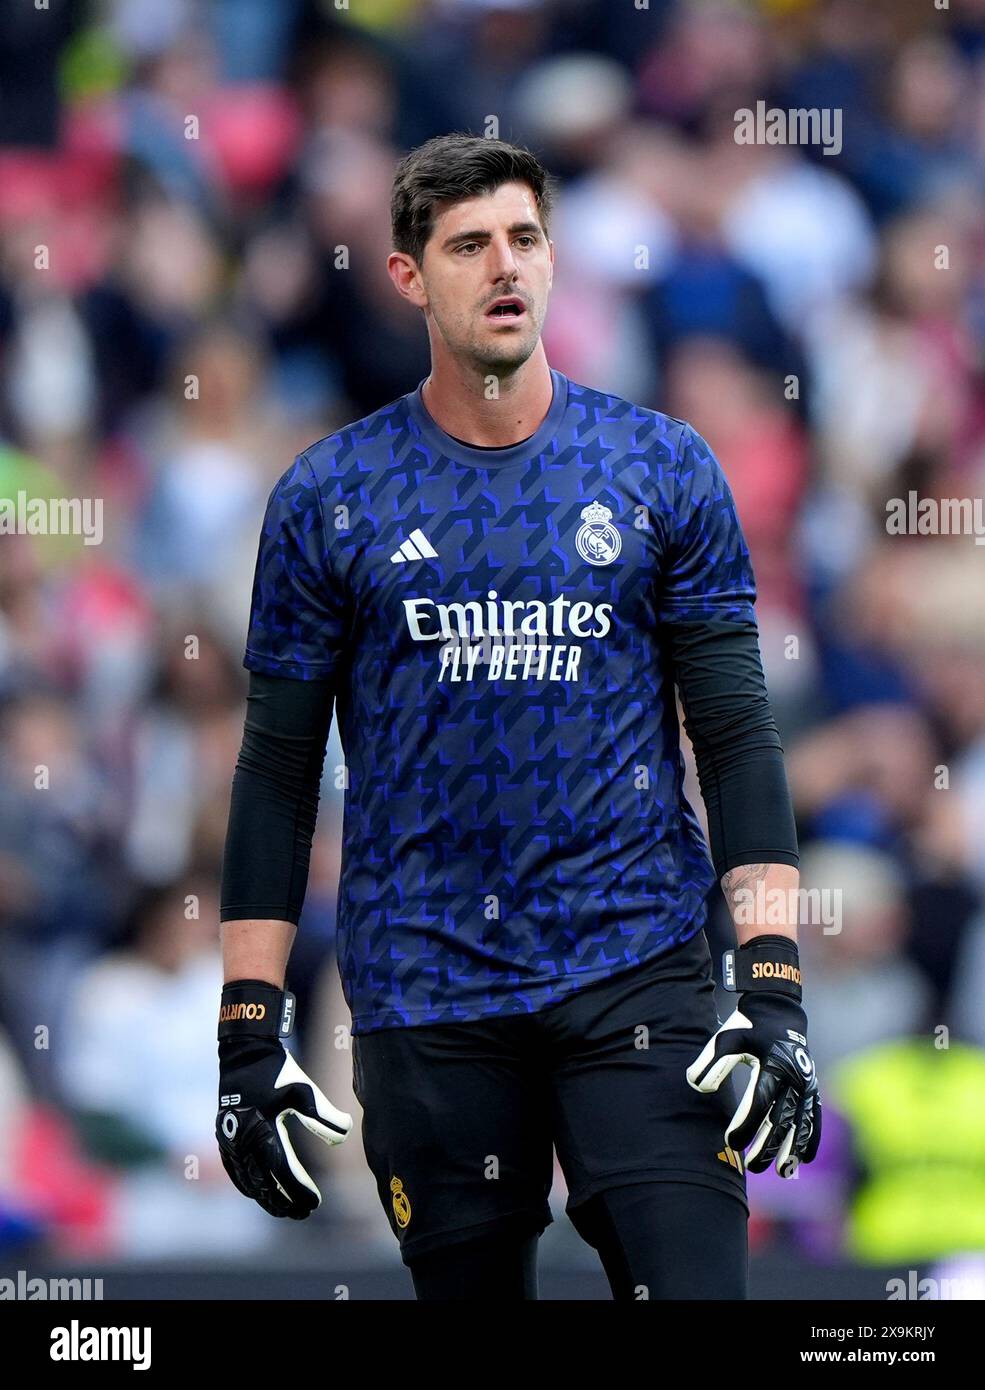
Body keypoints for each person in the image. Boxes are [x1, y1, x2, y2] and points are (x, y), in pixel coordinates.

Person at [214, 133, 821, 1302]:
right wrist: (249, 1029)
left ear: (553, 259)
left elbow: (737, 737)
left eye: (525, 239)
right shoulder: (328, 496)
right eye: (468, 245)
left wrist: (774, 987)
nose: (504, 266)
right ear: (407, 276)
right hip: (426, 988)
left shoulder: (661, 469)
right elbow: (278, 773)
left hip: (635, 968)